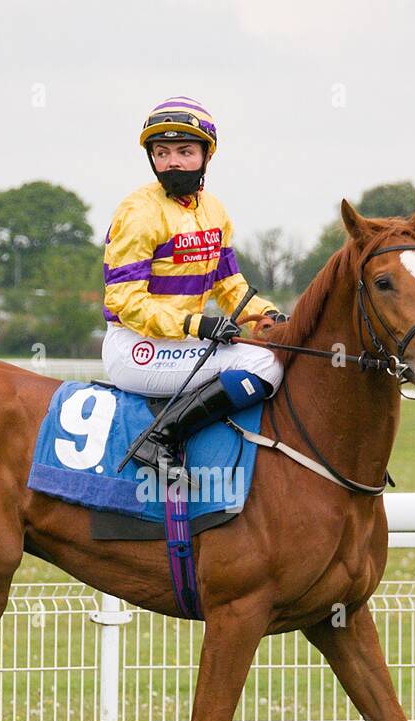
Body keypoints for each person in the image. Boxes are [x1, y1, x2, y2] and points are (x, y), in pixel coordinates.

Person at [102, 97, 287, 476]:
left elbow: (229, 284)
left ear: (206, 155)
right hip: (134, 345)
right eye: (162, 152)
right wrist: (194, 325)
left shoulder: (214, 211)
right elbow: (123, 300)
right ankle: (160, 438)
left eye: (185, 151)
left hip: (181, 343)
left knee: (281, 350)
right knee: (264, 364)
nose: (172, 162)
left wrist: (266, 315)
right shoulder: (138, 213)